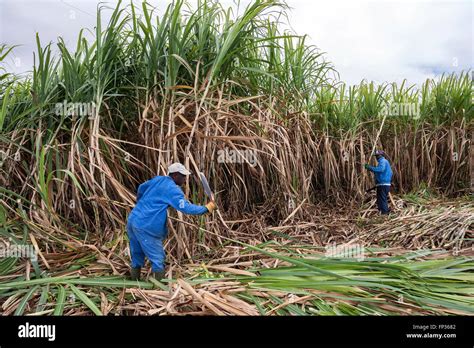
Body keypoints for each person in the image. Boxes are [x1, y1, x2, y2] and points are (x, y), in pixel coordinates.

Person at [126, 163, 216, 280]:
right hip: (146, 225)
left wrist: (141, 202)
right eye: (183, 176)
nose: (185, 179)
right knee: (157, 258)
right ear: (175, 175)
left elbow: (141, 187)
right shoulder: (173, 190)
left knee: (137, 254)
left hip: (133, 219)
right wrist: (206, 208)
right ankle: (158, 291)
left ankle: (134, 284)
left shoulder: (158, 180)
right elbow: (186, 208)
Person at [364, 150, 392, 215]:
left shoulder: (383, 161)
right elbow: (390, 173)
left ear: (381, 155)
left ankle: (384, 213)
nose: (377, 157)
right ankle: (382, 211)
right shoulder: (385, 162)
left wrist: (369, 167)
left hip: (383, 184)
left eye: (378, 156)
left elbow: (381, 169)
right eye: (376, 156)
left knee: (382, 199)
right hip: (383, 184)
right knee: (381, 199)